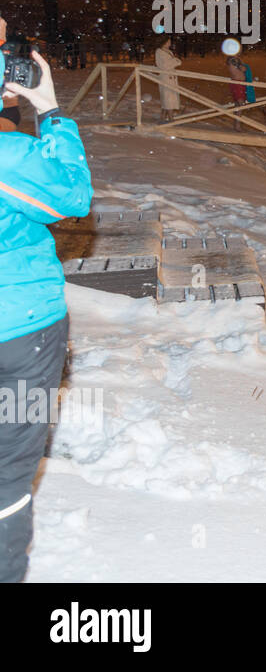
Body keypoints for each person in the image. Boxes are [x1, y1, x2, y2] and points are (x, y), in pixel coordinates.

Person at [0, 44, 94, 582]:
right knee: (8, 474)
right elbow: (71, 193)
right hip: (22, 333)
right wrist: (50, 110)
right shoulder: (9, 157)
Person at [155, 37, 182, 122]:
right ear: (164, 42)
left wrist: (174, 62)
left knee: (170, 98)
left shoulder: (169, 52)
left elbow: (175, 62)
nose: (169, 43)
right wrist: (175, 62)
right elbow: (163, 66)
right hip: (165, 78)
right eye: (168, 42)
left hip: (172, 77)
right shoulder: (159, 51)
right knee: (167, 97)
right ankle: (171, 119)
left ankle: (163, 117)